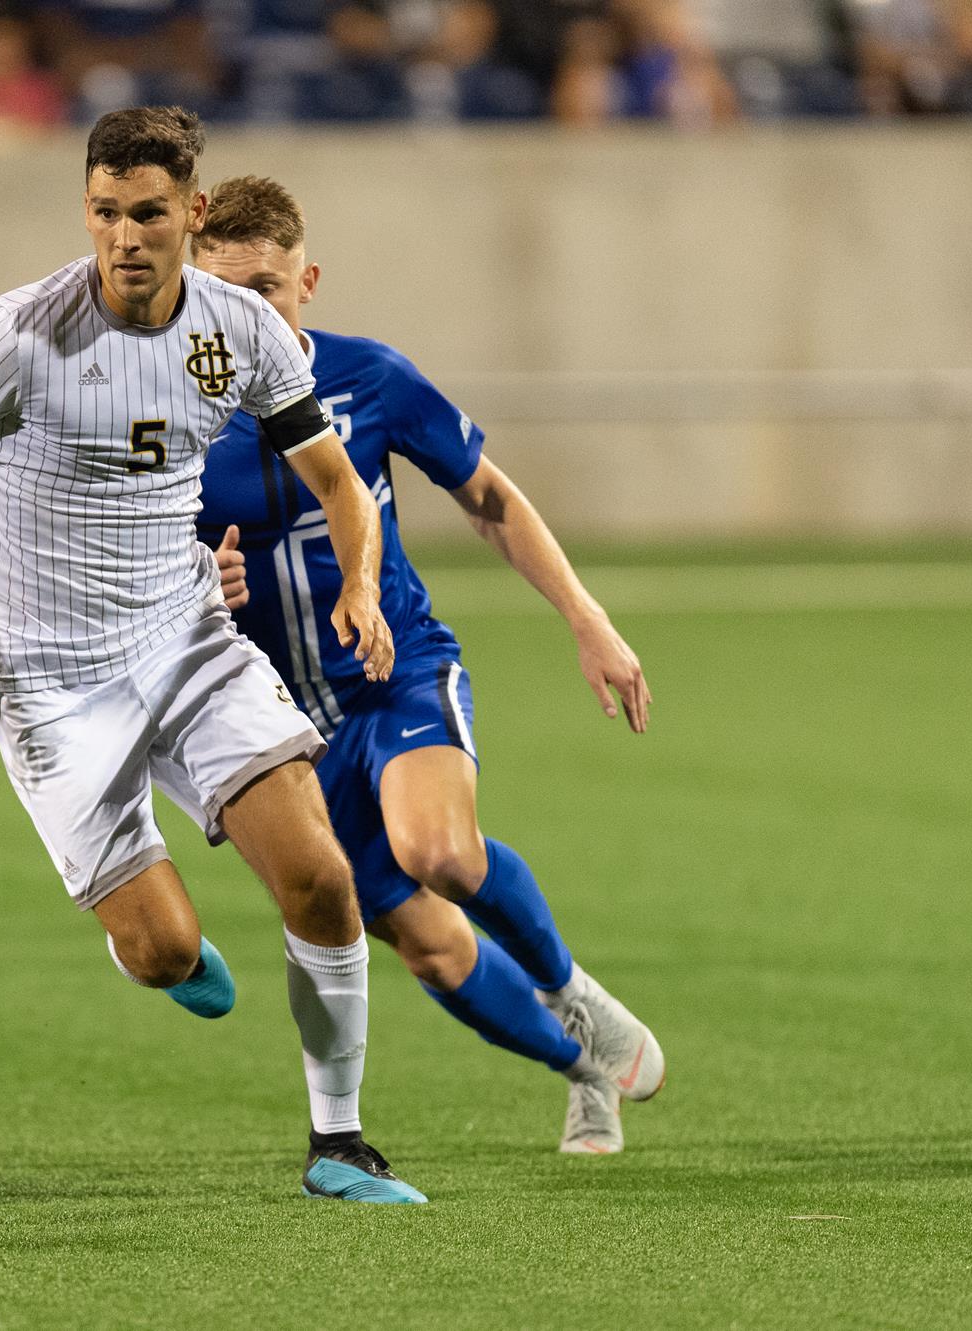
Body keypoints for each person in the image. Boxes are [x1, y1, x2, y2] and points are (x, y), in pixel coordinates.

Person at [0, 107, 426, 1203]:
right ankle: (159, 953)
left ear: (193, 212)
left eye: (147, 214)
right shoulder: (20, 334)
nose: (124, 237)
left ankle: (339, 1142)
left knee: (319, 875)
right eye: (103, 213)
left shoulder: (240, 329)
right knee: (165, 949)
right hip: (45, 677)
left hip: (183, 636)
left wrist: (360, 582)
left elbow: (332, 478)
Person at [192, 176, 664, 1154]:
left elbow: (485, 494)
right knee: (430, 944)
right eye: (226, 294)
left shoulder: (371, 379)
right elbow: (133, 566)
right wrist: (201, 579)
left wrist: (585, 617)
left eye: (267, 290)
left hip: (395, 675)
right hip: (283, 732)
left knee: (437, 851)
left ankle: (571, 991)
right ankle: (579, 1067)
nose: (249, 315)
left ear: (305, 283)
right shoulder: (169, 423)